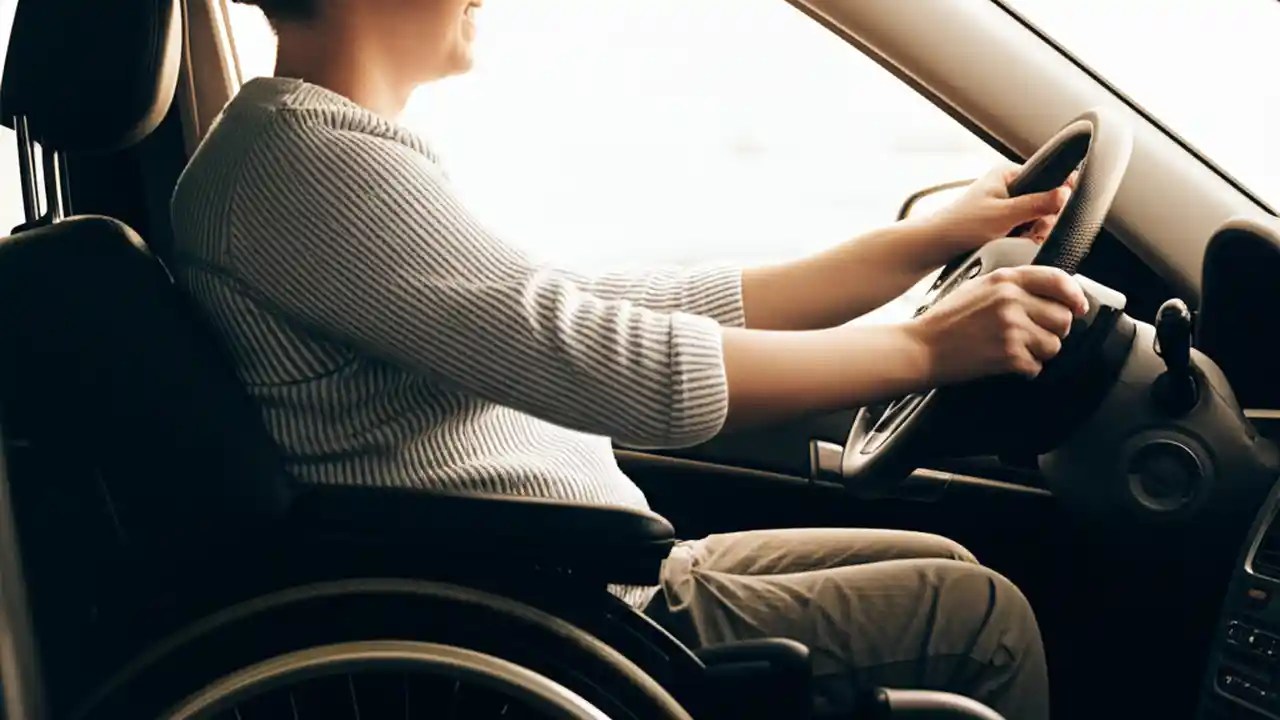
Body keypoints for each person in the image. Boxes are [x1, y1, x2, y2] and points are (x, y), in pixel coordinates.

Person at [171, 1, 1087, 717]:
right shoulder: (302, 166)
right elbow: (612, 365)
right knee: (984, 623)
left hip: (567, 578)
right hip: (541, 616)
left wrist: (924, 243)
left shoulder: (314, 149)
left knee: (951, 564)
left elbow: (596, 308)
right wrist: (925, 348)